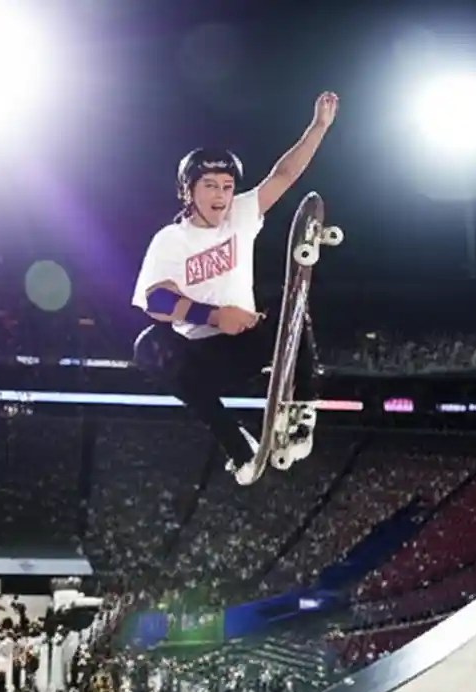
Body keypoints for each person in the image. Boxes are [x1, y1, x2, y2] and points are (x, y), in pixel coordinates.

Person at [130, 91, 339, 485]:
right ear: (187, 190)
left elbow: (284, 175)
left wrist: (318, 128)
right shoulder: (171, 240)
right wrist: (212, 316)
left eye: (226, 187)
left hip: (247, 341)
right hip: (202, 358)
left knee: (291, 308)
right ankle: (237, 445)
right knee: (150, 345)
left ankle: (301, 414)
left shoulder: (241, 214)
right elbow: (155, 301)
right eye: (210, 186)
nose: (221, 197)